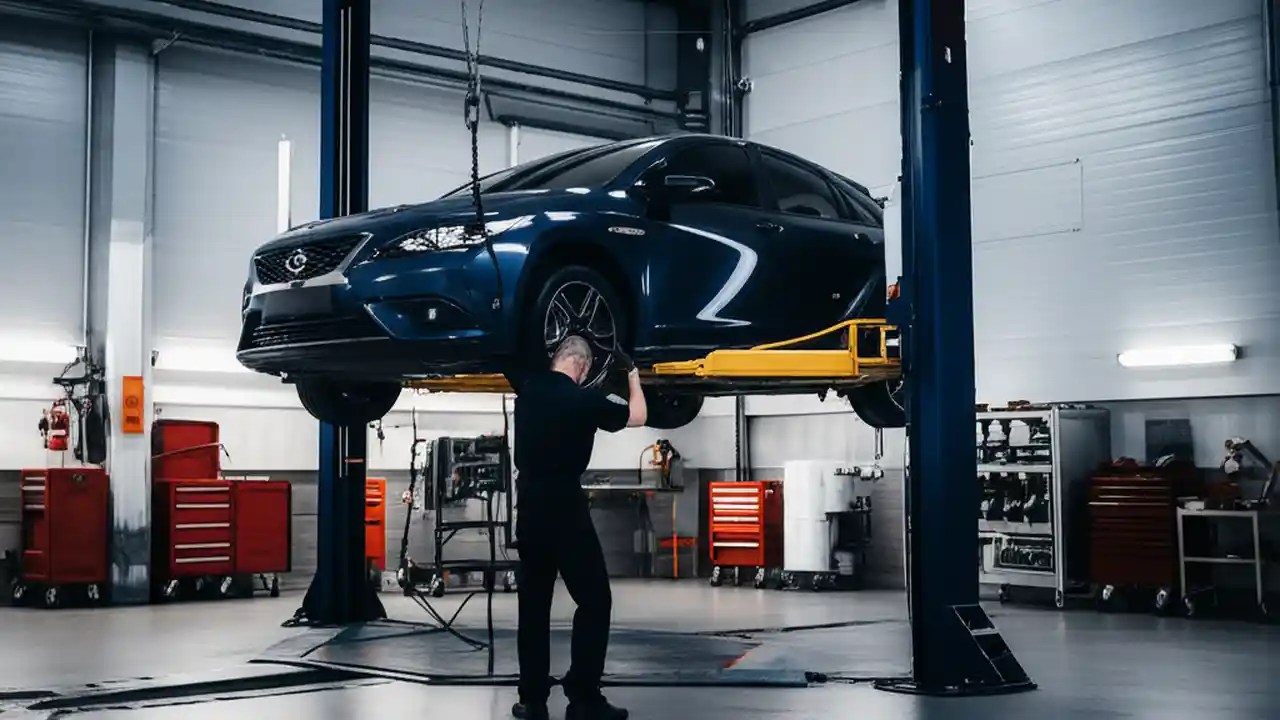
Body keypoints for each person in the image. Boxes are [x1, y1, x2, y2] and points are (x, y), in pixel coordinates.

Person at [508, 336, 647, 720]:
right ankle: (583, 696)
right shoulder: (586, 401)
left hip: (530, 506)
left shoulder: (528, 388)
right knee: (594, 600)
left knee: (533, 606)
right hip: (565, 507)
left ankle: (532, 701)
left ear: (556, 358)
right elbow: (638, 415)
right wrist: (631, 373)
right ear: (584, 368)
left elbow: (514, 349)